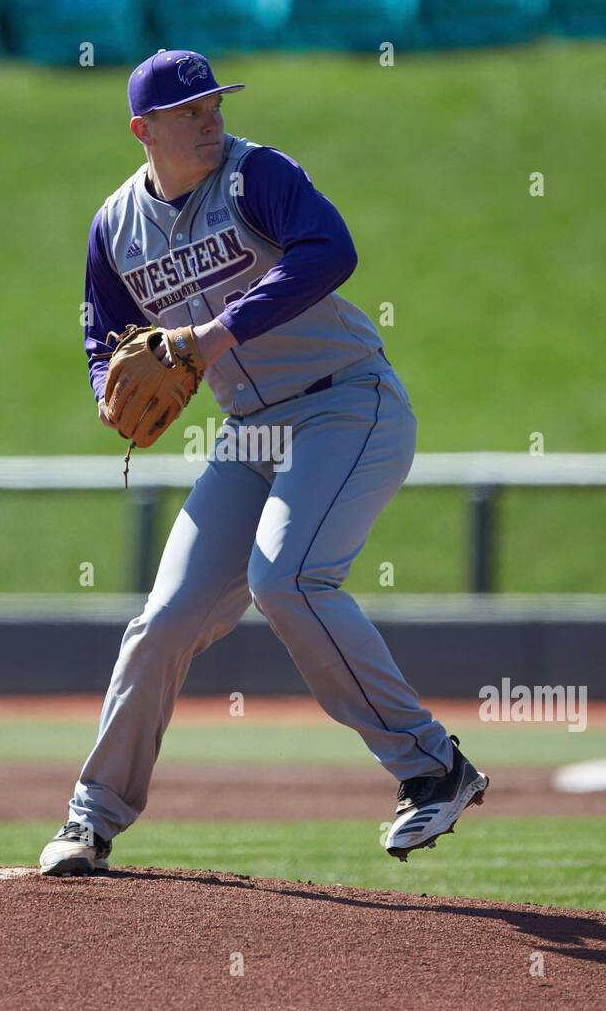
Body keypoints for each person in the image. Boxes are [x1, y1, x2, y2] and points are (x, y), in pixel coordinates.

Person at [39, 48, 488, 877]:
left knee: (287, 582)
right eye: (188, 112)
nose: (209, 117)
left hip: (347, 402)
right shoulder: (115, 226)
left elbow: (328, 252)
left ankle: (433, 767)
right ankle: (89, 820)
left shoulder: (257, 176)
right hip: (248, 433)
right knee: (165, 621)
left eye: (213, 103)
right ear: (144, 131)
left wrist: (212, 337)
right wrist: (110, 390)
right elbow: (104, 337)